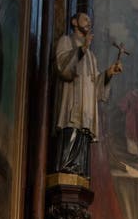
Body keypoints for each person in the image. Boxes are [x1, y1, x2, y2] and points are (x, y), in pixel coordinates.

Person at [53, 11, 123, 179]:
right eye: (85, 19)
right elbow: (63, 68)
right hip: (72, 102)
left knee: (83, 138)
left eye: (90, 21)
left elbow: (96, 86)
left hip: (87, 110)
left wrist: (109, 73)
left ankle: (79, 171)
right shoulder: (66, 41)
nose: (89, 23)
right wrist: (82, 48)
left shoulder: (92, 56)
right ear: (74, 21)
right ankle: (66, 169)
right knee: (72, 129)